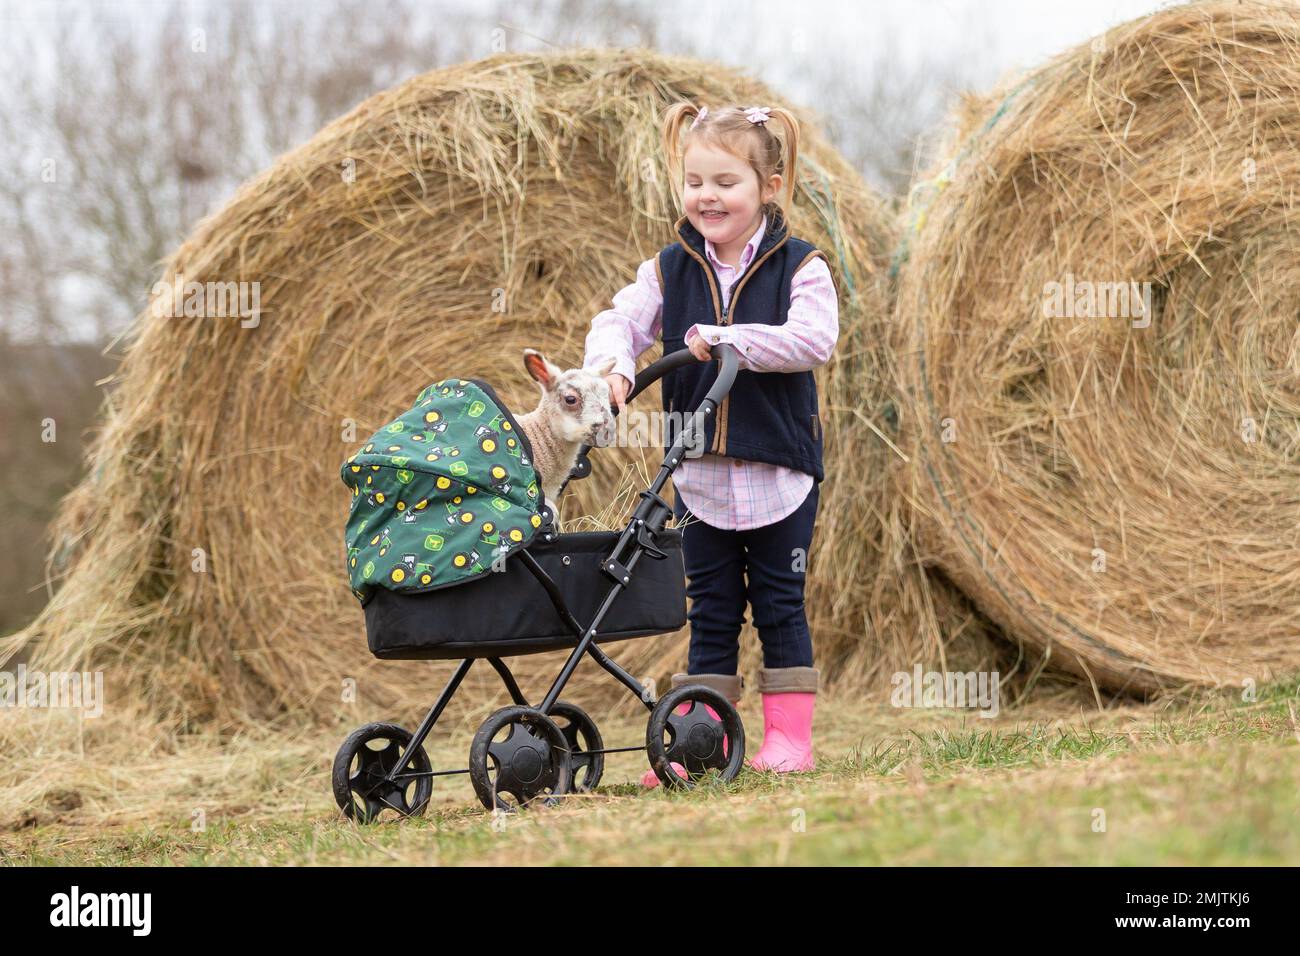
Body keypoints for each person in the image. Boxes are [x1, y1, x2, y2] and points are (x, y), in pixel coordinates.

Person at [582, 101, 839, 785]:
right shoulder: (669, 270)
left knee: (780, 602)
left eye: (726, 182)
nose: (708, 196)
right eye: (695, 182)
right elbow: (621, 321)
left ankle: (790, 741)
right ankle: (705, 744)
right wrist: (612, 368)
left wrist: (728, 341)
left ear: (768, 187)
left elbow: (814, 339)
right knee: (711, 608)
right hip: (699, 478)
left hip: (778, 471)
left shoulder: (800, 266)